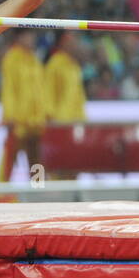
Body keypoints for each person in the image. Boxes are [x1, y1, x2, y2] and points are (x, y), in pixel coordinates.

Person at [0, 31, 46, 182]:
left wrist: (43, 114)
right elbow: (9, 88)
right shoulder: (12, 58)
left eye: (32, 35)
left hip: (35, 121)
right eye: (28, 35)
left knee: (36, 161)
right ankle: (0, 194)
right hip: (18, 121)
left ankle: (38, 190)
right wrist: (9, 115)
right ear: (19, 37)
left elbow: (41, 89)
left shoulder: (34, 59)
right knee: (9, 159)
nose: (31, 39)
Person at [43, 30, 87, 181]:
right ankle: (54, 198)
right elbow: (47, 94)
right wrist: (50, 119)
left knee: (75, 164)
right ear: (63, 41)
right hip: (60, 123)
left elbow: (78, 95)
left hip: (75, 123)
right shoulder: (55, 64)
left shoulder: (73, 65)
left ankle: (72, 198)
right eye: (71, 39)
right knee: (58, 165)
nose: (75, 43)